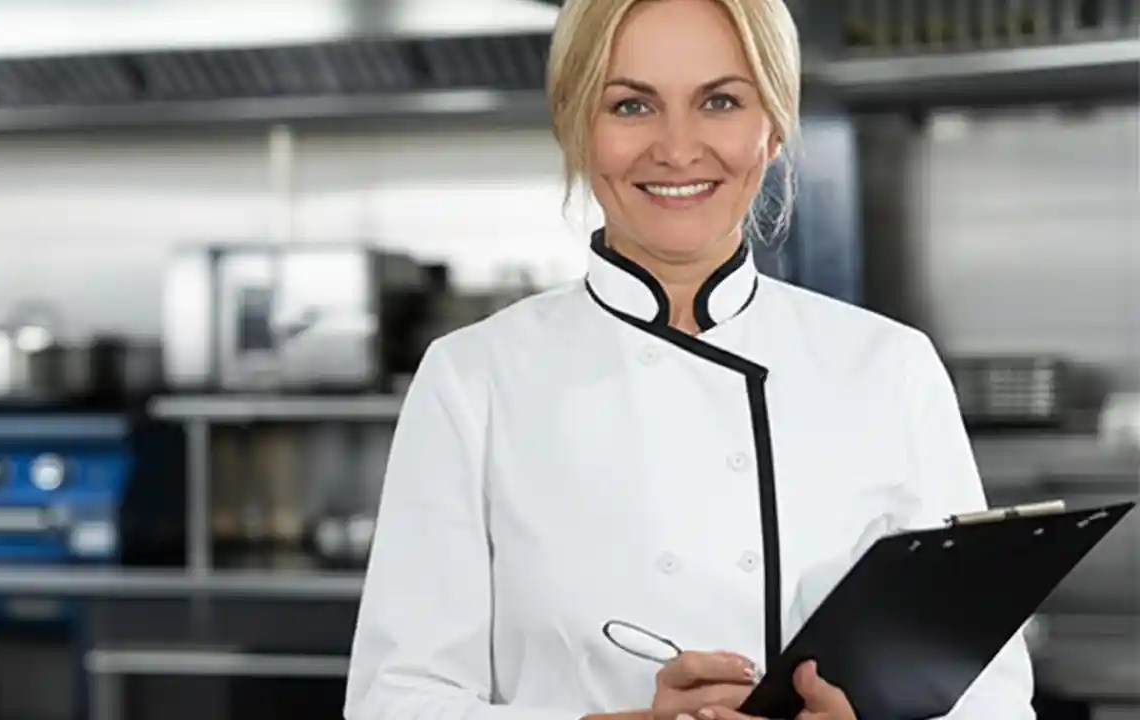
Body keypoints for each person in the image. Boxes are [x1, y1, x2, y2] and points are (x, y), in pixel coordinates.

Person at [344, 0, 1036, 718]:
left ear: (773, 127)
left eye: (720, 101)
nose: (677, 150)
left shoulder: (890, 369)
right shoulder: (474, 380)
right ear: (575, 126)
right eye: (632, 105)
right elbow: (395, 702)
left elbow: (990, 700)